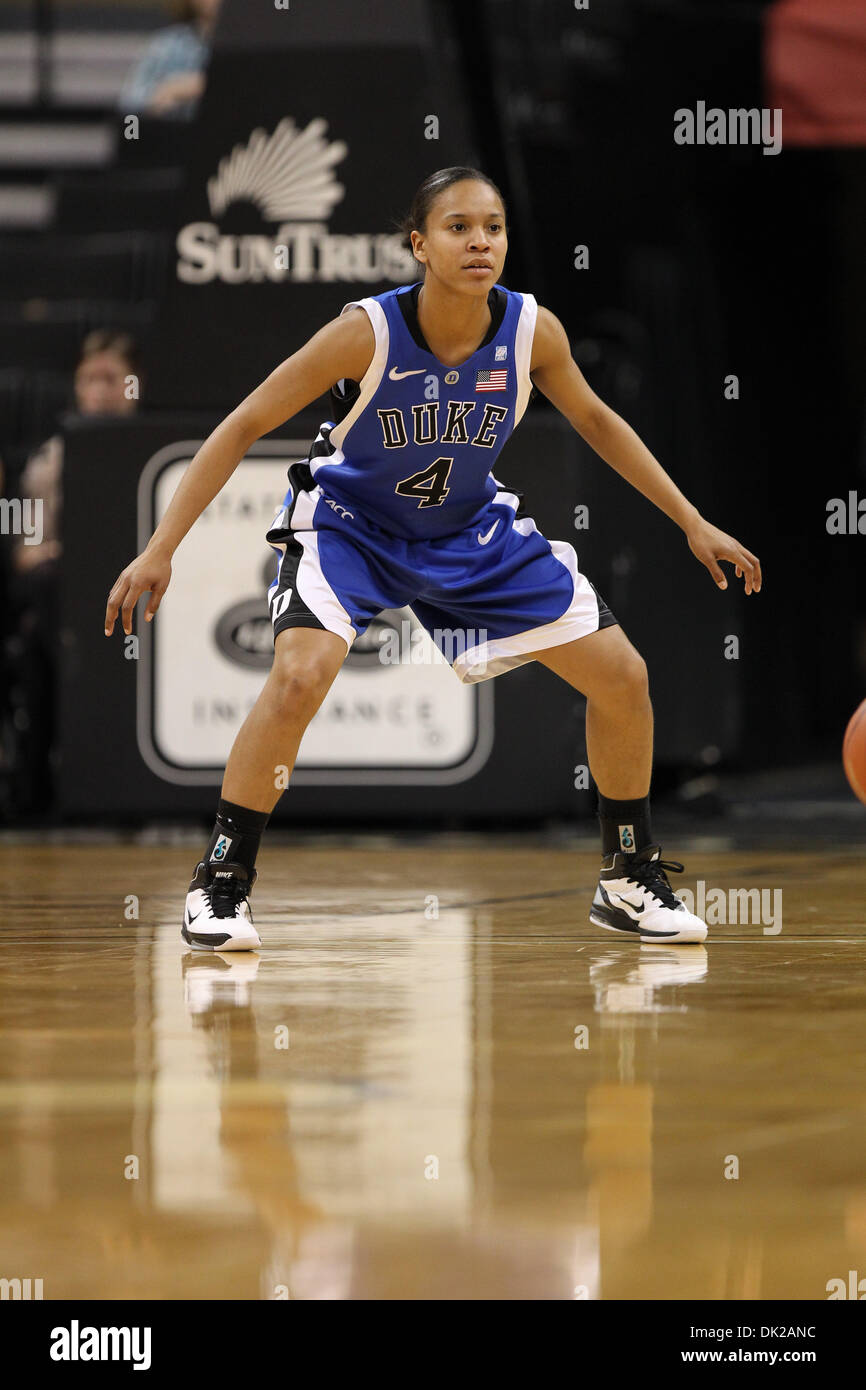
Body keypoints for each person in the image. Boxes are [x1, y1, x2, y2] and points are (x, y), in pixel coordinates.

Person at [105, 167, 761, 950]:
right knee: (299, 675)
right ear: (418, 244)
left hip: (466, 530)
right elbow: (244, 422)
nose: (480, 240)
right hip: (348, 526)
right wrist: (160, 547)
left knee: (623, 677)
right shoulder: (366, 332)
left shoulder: (531, 331)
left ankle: (627, 874)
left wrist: (692, 521)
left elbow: (598, 420)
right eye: (458, 226)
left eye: (493, 226)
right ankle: (221, 881)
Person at [14, 332, 139, 811]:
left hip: (149, 600)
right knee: (39, 613)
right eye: (89, 379)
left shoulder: (164, 451)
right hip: (73, 604)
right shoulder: (49, 460)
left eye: (112, 379)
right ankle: (43, 785)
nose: (101, 390)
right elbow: (26, 552)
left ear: (136, 384)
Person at [117, 0, 221, 119]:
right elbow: (129, 103)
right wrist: (168, 89)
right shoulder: (169, 45)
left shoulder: (243, 46)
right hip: (178, 133)